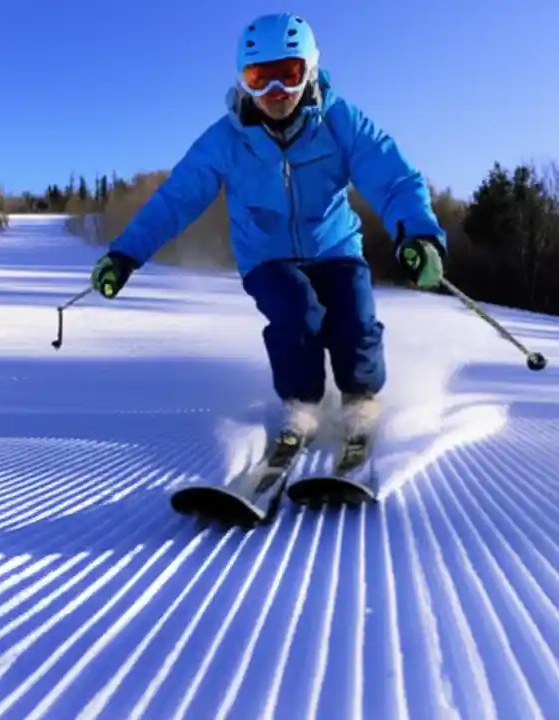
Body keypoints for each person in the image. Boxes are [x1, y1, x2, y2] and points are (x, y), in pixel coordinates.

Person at [91, 12, 446, 442]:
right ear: (243, 81)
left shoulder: (339, 122)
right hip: (266, 256)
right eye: (260, 78)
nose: (275, 92)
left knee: (354, 317)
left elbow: (392, 178)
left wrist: (420, 234)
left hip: (334, 248)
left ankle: (360, 399)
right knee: (295, 313)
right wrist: (125, 253)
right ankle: (302, 406)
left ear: (310, 70)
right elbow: (175, 199)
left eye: (288, 75)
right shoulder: (226, 139)